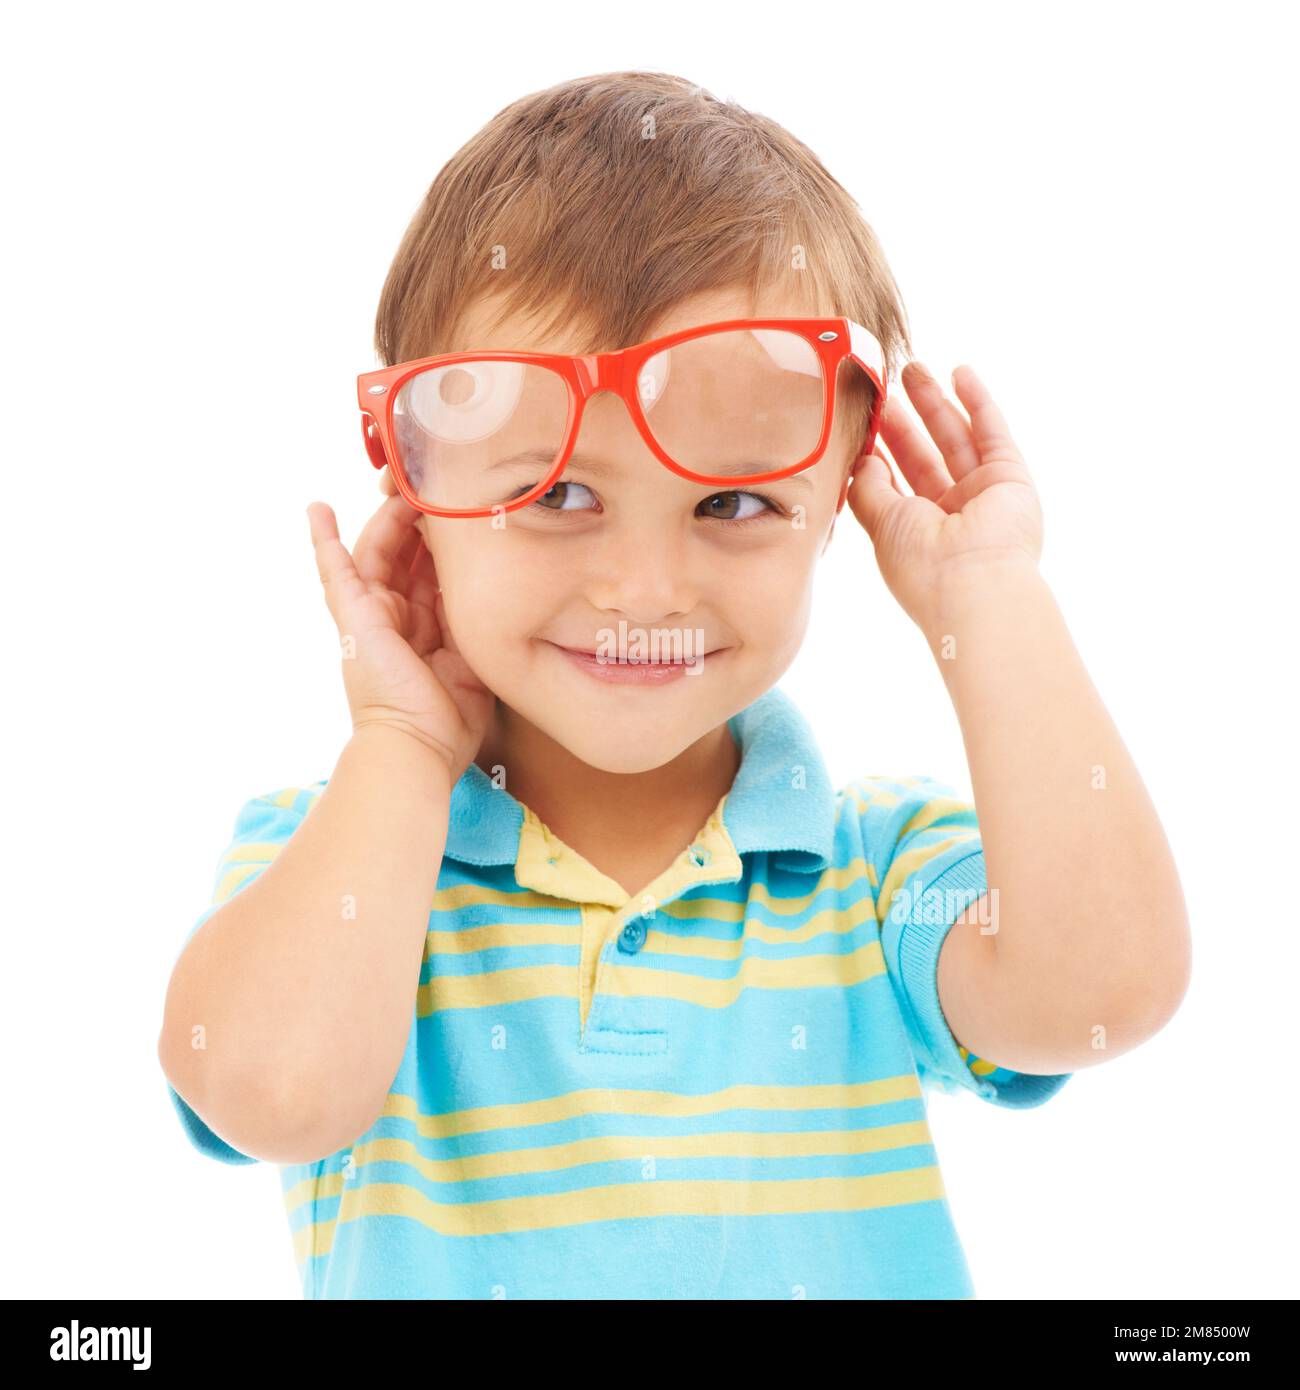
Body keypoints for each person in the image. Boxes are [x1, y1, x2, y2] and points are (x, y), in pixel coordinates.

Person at [158, 70, 1190, 1299]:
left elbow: (1102, 991)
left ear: (838, 509)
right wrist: (399, 743)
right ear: (420, 504)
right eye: (555, 494)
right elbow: (269, 1090)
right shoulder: (341, 859)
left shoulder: (868, 871)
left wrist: (987, 597)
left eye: (736, 501)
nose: (645, 587)